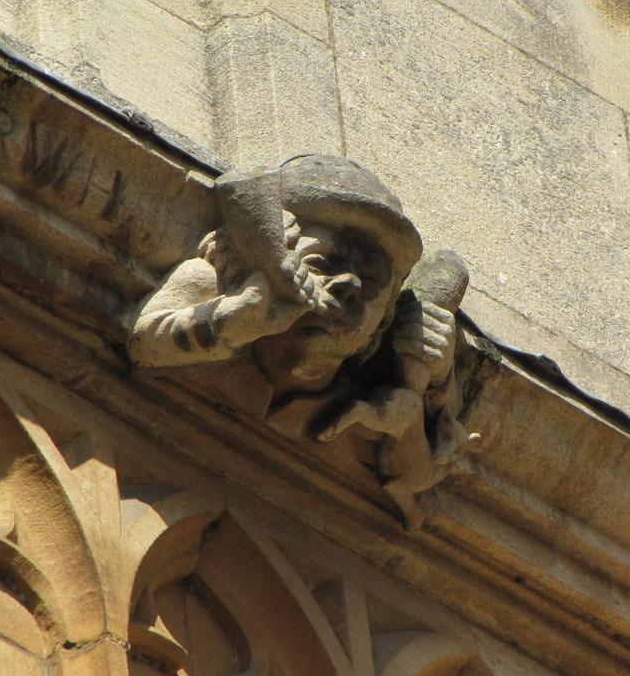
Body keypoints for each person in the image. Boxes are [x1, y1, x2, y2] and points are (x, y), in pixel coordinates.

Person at [126, 155, 473, 527]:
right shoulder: (210, 283)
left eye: (372, 284)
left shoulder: (368, 391)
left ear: (384, 319)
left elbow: (419, 477)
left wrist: (437, 388)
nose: (350, 286)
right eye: (322, 263)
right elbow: (142, 340)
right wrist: (228, 324)